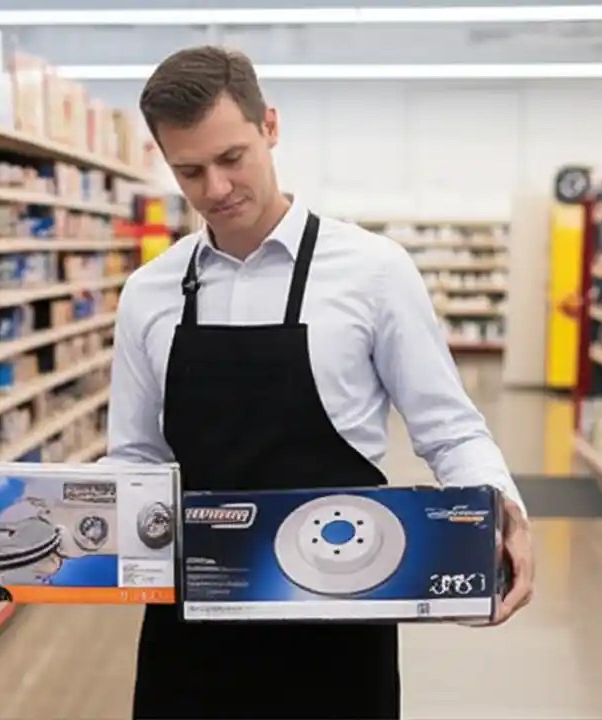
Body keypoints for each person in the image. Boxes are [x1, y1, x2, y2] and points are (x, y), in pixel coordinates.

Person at [103, 45, 535, 720]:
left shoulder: (373, 272)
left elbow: (449, 429)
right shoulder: (148, 293)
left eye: (232, 158)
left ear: (269, 126)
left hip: (340, 619)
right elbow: (135, 457)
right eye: (190, 170)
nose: (215, 188)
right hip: (193, 625)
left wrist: (502, 512)